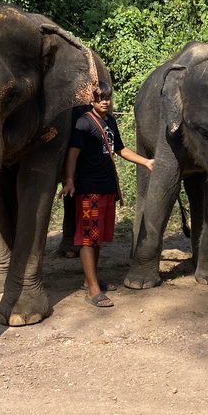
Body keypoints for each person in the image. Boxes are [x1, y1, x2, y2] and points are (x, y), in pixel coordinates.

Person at [58, 81, 154, 307]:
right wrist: (70, 180)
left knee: (97, 237)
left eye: (108, 97)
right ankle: (92, 291)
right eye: (100, 97)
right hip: (89, 189)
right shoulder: (84, 123)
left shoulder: (110, 121)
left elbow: (120, 149)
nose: (105, 101)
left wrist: (146, 162)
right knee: (88, 239)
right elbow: (73, 154)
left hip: (107, 188)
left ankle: (88, 281)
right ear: (91, 100)